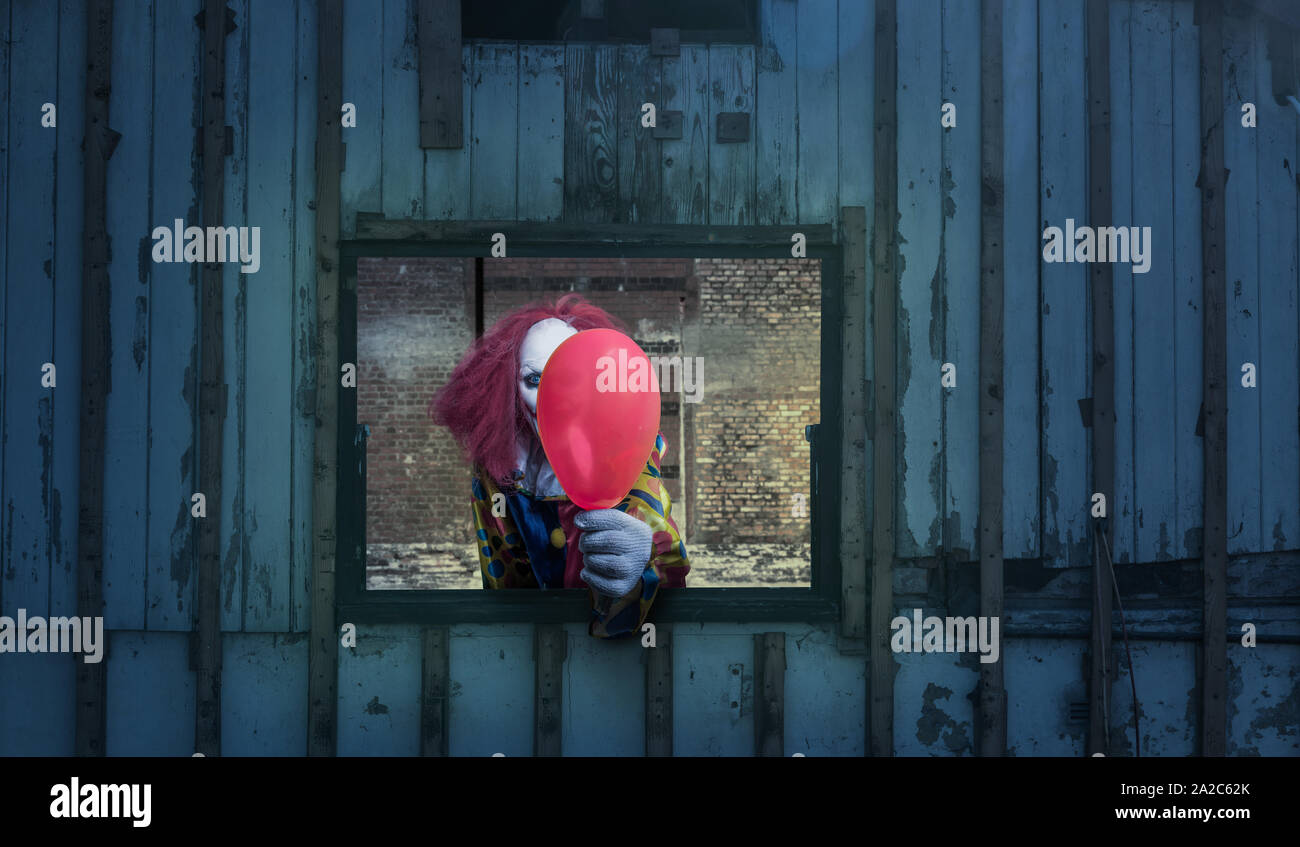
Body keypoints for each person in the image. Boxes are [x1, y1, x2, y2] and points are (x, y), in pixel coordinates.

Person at [430, 294, 689, 638]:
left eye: (568, 378)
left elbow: (667, 560)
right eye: (535, 381)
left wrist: (641, 565)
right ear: (509, 388)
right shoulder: (498, 467)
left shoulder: (628, 446)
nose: (555, 398)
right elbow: (501, 582)